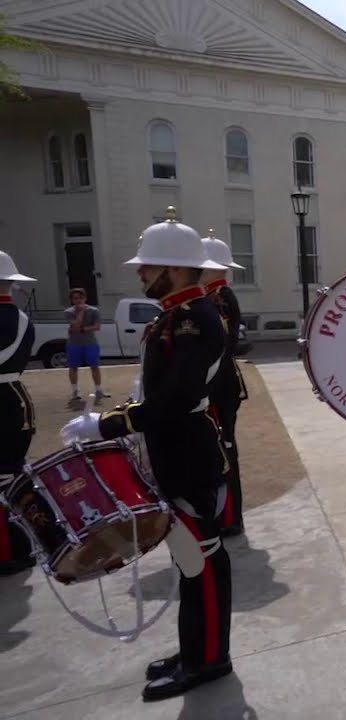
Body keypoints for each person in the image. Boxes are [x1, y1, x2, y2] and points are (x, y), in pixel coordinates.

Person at [61, 208, 233, 700]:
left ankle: (209, 658)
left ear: (175, 270)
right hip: (173, 448)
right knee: (190, 560)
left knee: (200, 559)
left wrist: (110, 424)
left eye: (148, 266)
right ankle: (195, 648)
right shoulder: (177, 316)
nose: (141, 273)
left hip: (187, 451)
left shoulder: (195, 320)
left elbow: (177, 399)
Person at [199, 231, 249, 537]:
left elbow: (221, 344)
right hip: (216, 382)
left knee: (224, 449)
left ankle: (230, 516)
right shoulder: (210, 296)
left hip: (220, 384)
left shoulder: (221, 297)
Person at [0, 251, 37, 576]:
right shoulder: (20, 317)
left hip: (5, 402)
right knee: (12, 473)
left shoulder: (12, 319)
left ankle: (11, 548)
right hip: (13, 399)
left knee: (7, 475)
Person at [65, 287, 109, 406]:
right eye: (75, 298)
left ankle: (99, 389)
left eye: (80, 298)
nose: (78, 300)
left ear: (85, 298)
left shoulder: (94, 311)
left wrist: (82, 329)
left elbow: (97, 326)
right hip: (74, 343)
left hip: (90, 343)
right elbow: (74, 326)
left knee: (94, 366)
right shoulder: (68, 312)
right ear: (72, 300)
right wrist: (81, 313)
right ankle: (75, 391)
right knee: (73, 367)